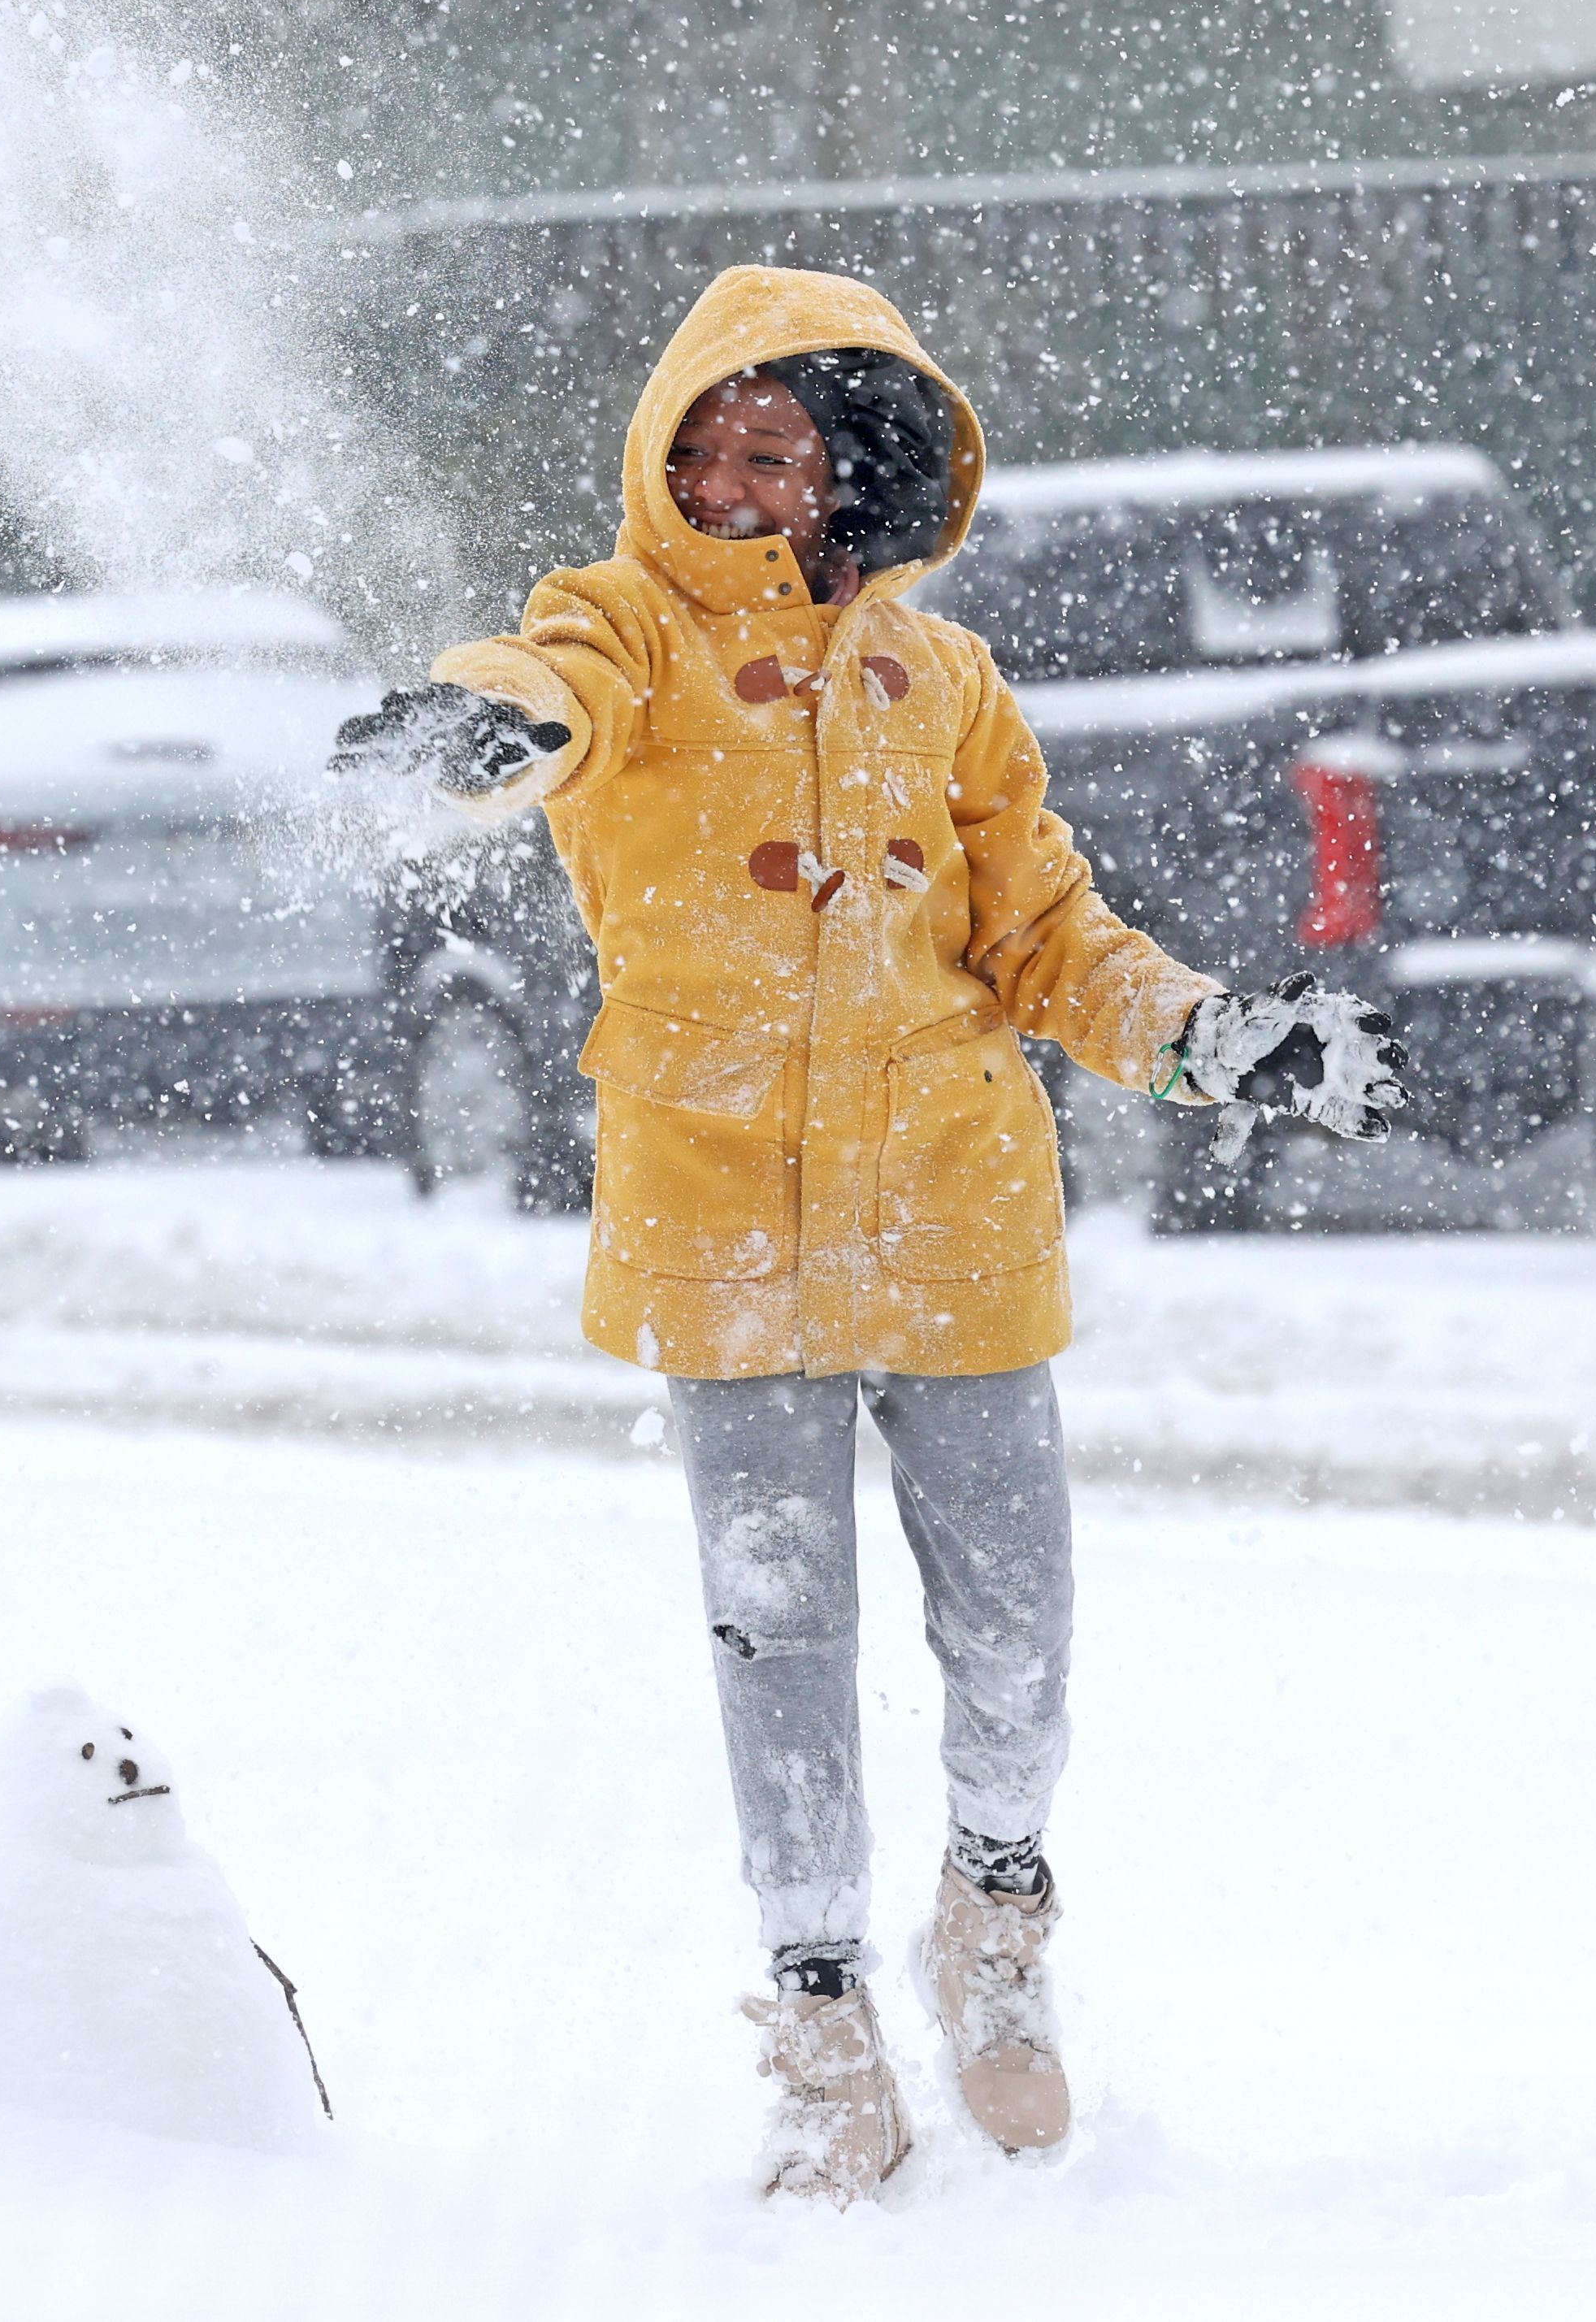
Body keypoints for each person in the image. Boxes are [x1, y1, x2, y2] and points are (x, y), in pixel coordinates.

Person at [333, 267, 1404, 2200]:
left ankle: (994, 1930)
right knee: (778, 1629)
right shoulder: (624, 629)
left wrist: (1217, 1037)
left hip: (954, 1211)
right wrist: (486, 723)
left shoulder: (948, 680)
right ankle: (820, 2026)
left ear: (851, 472)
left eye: (780, 449)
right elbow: (549, 679)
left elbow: (1048, 934)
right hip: (723, 1221)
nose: (738, 480)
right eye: (708, 446)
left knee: (1018, 1624)